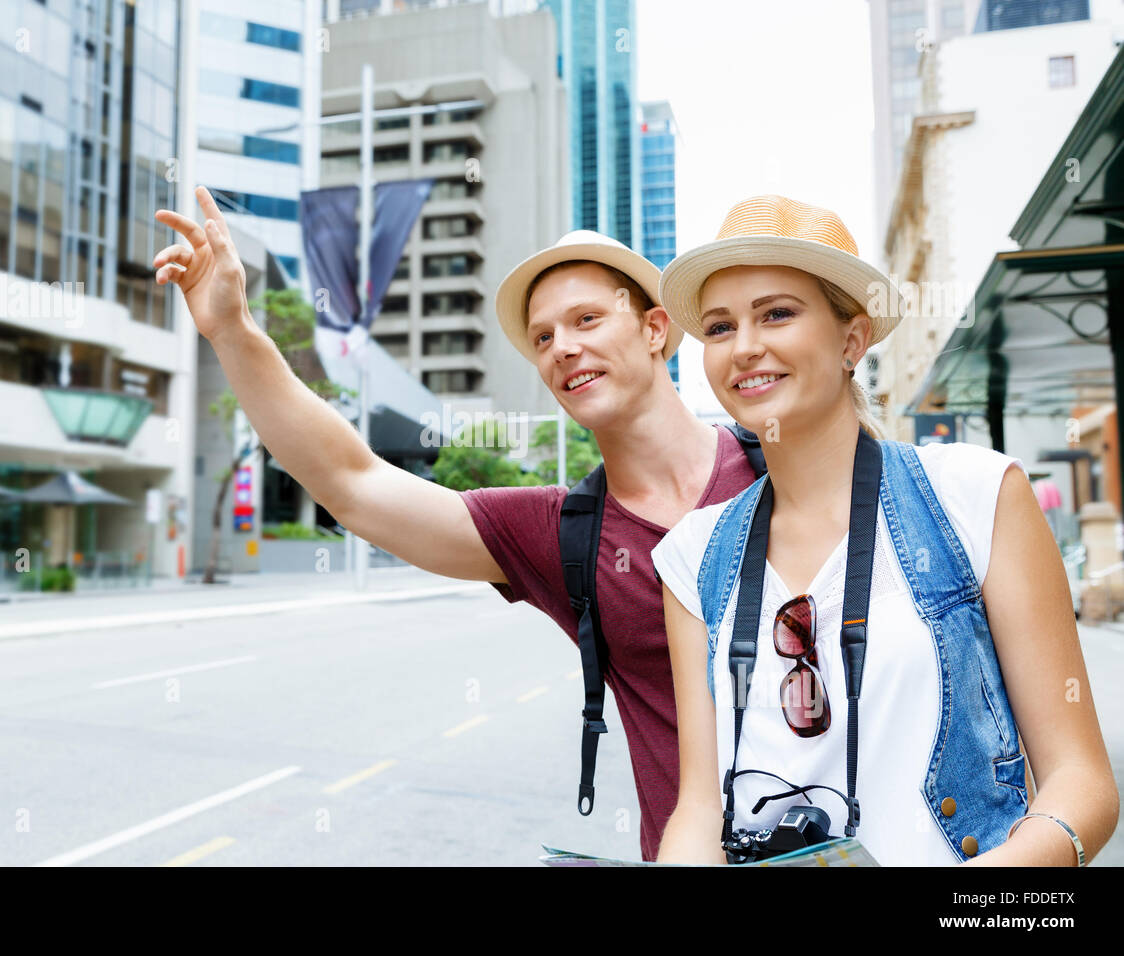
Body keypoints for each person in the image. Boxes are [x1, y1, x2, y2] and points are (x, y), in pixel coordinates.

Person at [152, 186, 759, 861]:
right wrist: (233, 329)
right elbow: (354, 483)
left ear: (654, 329)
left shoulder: (780, 471)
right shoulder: (562, 534)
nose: (562, 347)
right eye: (543, 337)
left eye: (587, 319)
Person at [650, 194, 1118, 865]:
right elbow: (700, 806)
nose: (745, 347)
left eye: (777, 313)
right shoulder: (692, 557)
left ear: (852, 339)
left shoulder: (976, 496)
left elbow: (1083, 785)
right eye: (719, 328)